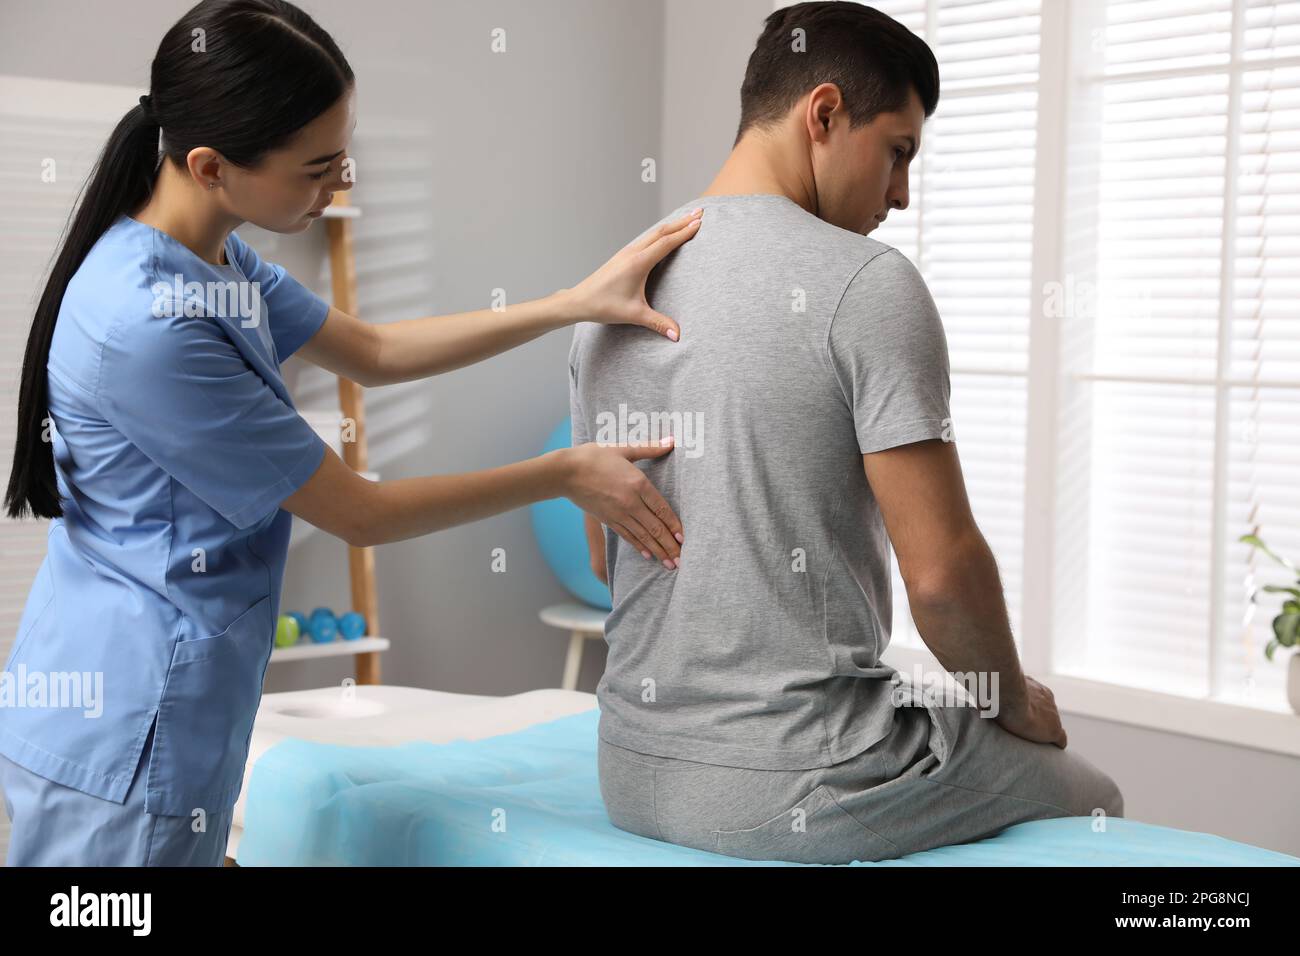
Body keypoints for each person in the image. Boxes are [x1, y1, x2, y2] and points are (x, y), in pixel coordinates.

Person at [0, 0, 697, 866]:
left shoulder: (212, 253)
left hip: (164, 704)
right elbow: (360, 513)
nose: (344, 181)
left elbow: (372, 351)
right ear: (214, 165)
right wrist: (563, 472)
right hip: (128, 728)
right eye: (319, 167)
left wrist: (574, 302)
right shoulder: (151, 325)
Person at [571, 0, 1123, 864]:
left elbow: (608, 552)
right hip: (793, 779)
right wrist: (1010, 698)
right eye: (898, 152)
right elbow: (940, 577)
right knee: (1097, 799)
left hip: (630, 767)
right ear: (823, 114)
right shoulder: (868, 283)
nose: (902, 195)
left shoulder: (609, 288)